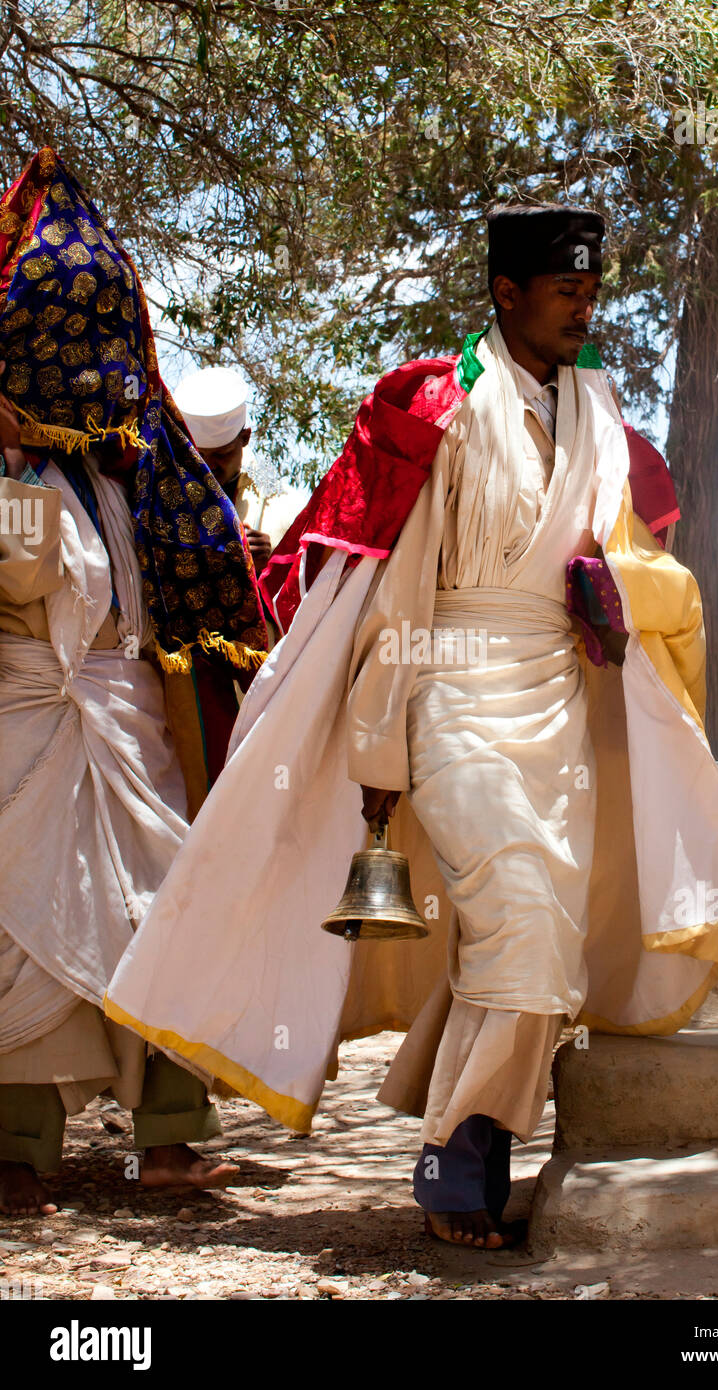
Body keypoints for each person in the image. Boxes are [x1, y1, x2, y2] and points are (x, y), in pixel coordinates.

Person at [106, 202, 718, 1249]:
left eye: (592, 291)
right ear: (507, 294)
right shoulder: (437, 403)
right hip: (454, 696)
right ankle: (453, 1170)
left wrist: (618, 589)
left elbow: (629, 551)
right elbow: (395, 597)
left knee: (529, 946)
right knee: (530, 935)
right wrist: (377, 749)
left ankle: (467, 1142)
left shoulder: (596, 406)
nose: (583, 307)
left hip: (558, 702)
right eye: (565, 291)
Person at [0, 147, 268, 1216]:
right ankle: (18, 1151)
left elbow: (199, 599)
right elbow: (24, 572)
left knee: (164, 911)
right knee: (21, 934)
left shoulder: (147, 471)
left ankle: (168, 1141)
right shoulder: (23, 476)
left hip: (130, 723)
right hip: (23, 719)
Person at [173, 366, 303, 577]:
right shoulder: (167, 491)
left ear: (245, 438)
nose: (209, 466)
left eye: (221, 454)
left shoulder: (279, 503)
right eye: (199, 456)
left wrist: (269, 563)